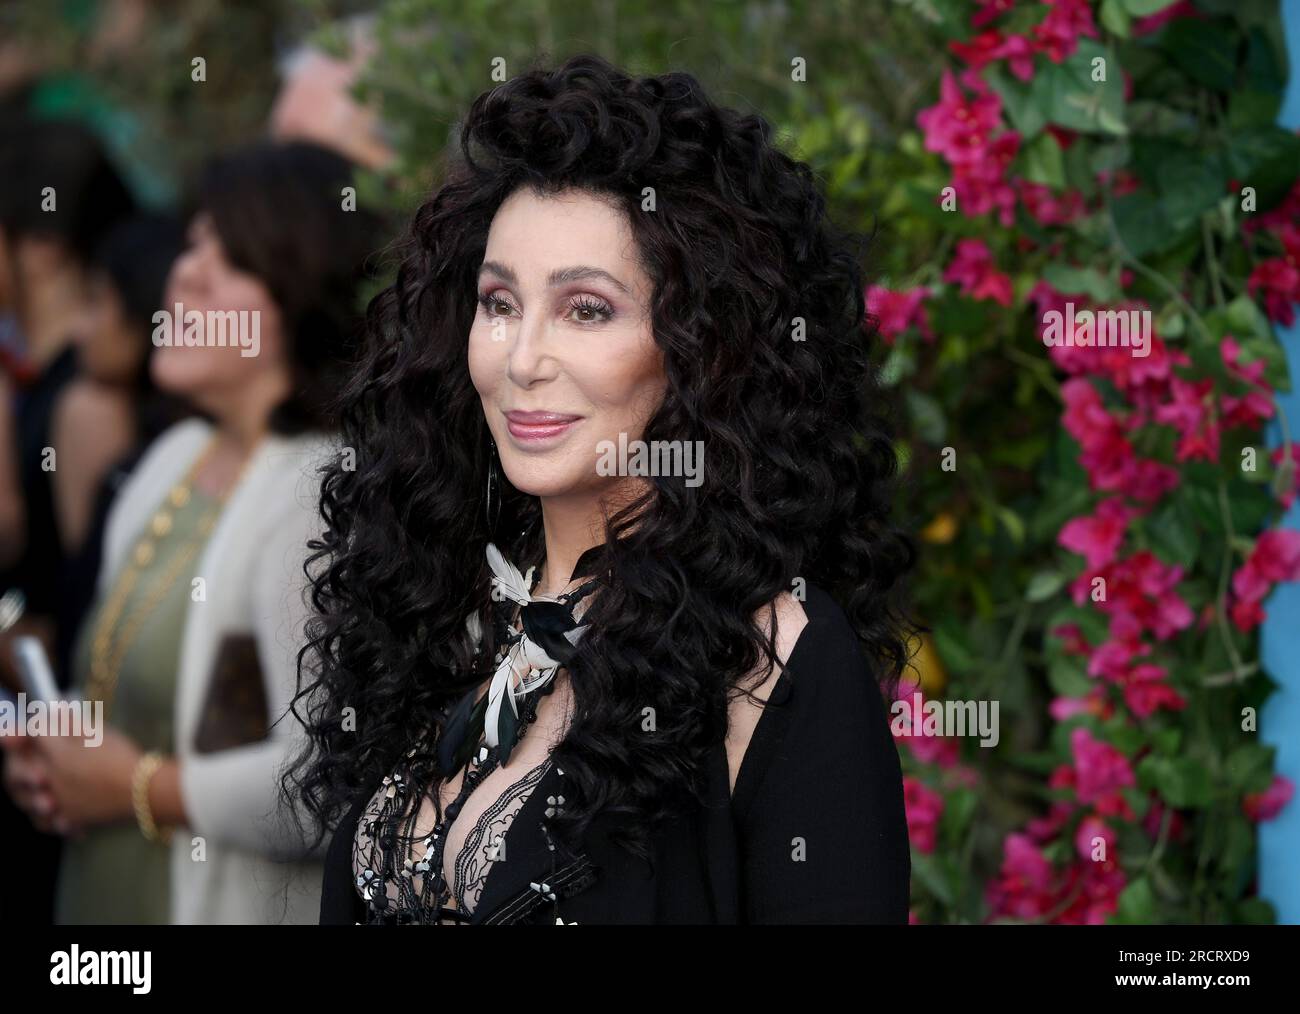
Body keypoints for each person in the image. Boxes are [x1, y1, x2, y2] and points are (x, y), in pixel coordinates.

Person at [291, 54, 915, 925]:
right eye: (499, 303)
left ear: (704, 350)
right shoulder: (435, 616)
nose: (522, 360)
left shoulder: (772, 660)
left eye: (587, 309)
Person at [1, 140, 388, 924]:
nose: (186, 275)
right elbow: (137, 704)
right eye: (194, 246)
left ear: (301, 293)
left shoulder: (315, 495)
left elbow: (315, 785)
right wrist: (56, 758)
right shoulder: (172, 461)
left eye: (229, 260)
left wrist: (135, 787)